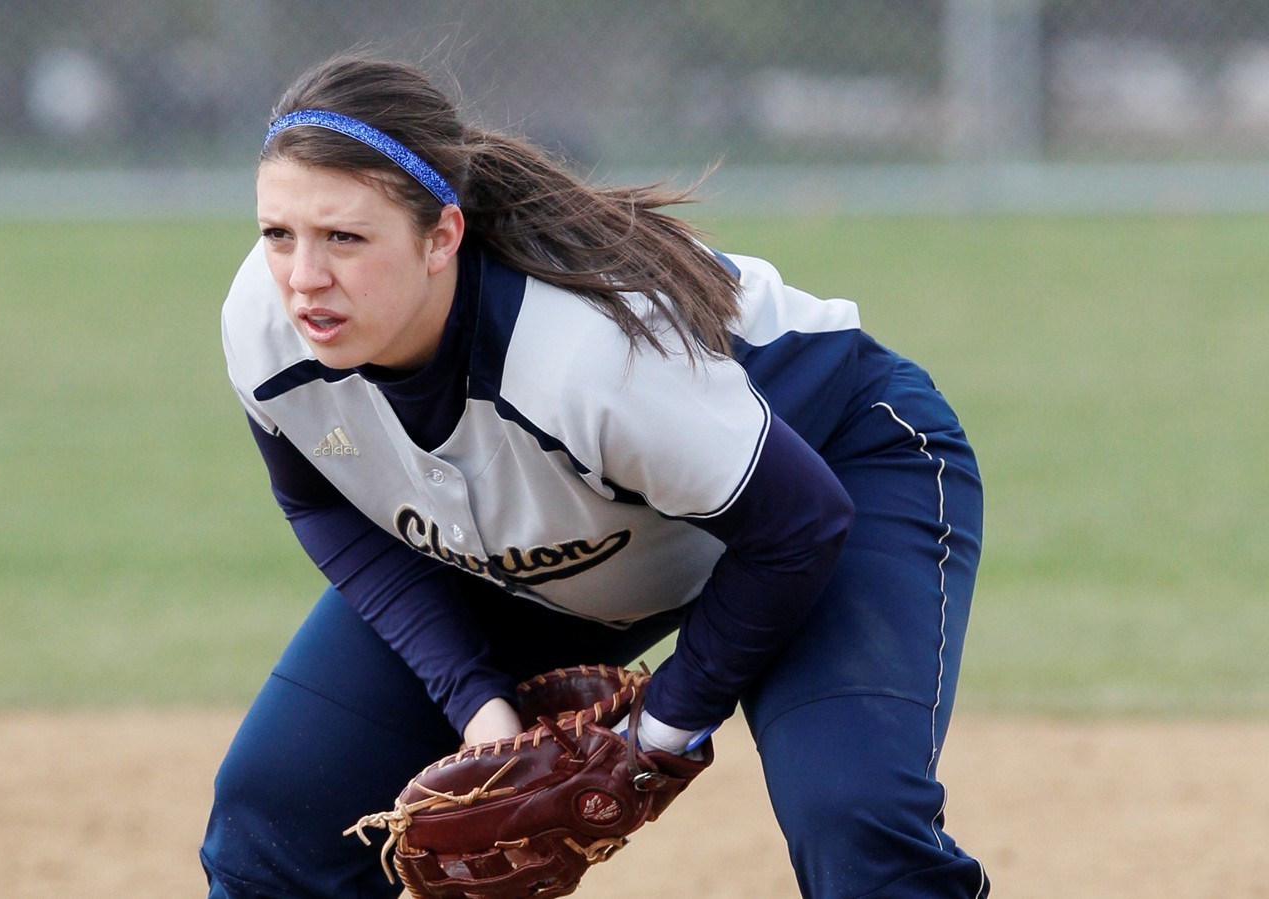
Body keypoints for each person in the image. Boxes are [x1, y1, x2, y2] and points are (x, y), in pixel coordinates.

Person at [202, 52, 988, 899]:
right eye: (277, 233)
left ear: (442, 238)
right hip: (565, 521)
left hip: (826, 473)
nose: (303, 277)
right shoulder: (271, 328)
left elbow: (797, 525)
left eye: (345, 236)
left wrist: (657, 737)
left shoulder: (578, 355)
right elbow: (326, 506)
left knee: (853, 815)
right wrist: (477, 705)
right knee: (273, 818)